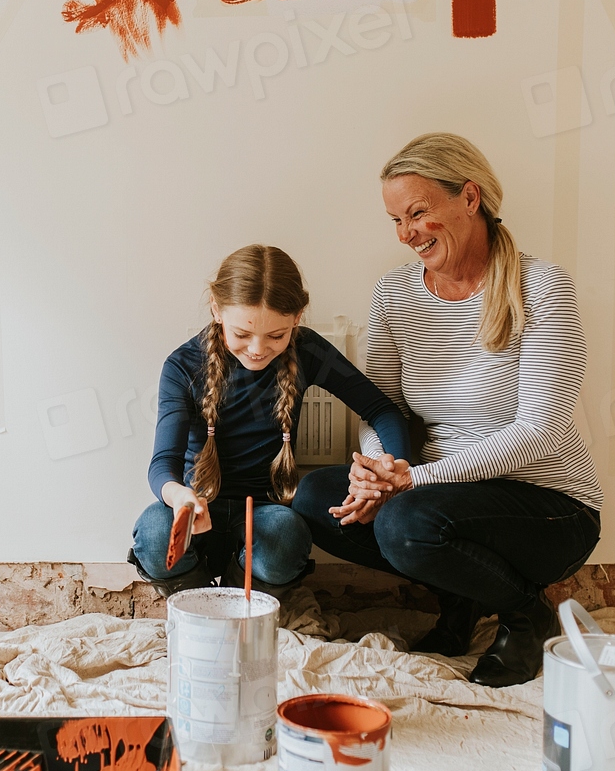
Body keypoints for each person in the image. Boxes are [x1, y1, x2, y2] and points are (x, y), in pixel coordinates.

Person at [292, 133, 602, 688]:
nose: (406, 233)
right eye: (395, 220)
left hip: (548, 507)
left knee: (409, 521)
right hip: (428, 494)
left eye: (418, 213)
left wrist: (411, 480)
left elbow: (541, 433)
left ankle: (524, 615)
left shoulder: (543, 286)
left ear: (469, 198)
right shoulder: (394, 294)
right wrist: (374, 471)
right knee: (316, 498)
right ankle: (461, 601)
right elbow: (381, 407)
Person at [129, 244, 410, 597]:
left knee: (288, 536)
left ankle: (242, 602)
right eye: (242, 334)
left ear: (297, 317)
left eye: (276, 335)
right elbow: (162, 464)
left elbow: (381, 409)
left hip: (264, 515)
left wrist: (397, 466)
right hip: (199, 510)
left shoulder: (308, 350)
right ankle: (201, 606)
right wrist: (181, 498)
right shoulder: (183, 365)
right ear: (217, 311)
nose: (258, 349)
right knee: (154, 535)